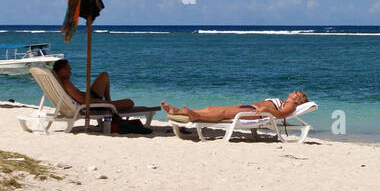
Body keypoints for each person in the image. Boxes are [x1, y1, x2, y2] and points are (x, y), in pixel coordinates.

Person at [161, 91, 309, 123]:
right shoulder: (285, 100)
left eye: (298, 93)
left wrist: (267, 109)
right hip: (250, 108)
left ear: (299, 101)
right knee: (212, 108)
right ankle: (178, 111)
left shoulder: (290, 105)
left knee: (223, 112)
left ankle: (197, 116)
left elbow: (281, 115)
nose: (295, 92)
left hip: (256, 113)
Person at [52, 59, 136, 112]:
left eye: (70, 69)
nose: (70, 71)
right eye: (67, 69)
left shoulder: (61, 82)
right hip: (91, 105)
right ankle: (110, 106)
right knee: (129, 102)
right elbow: (83, 101)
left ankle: (110, 105)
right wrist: (105, 102)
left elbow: (79, 97)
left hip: (90, 98)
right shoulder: (66, 83)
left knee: (104, 75)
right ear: (60, 70)